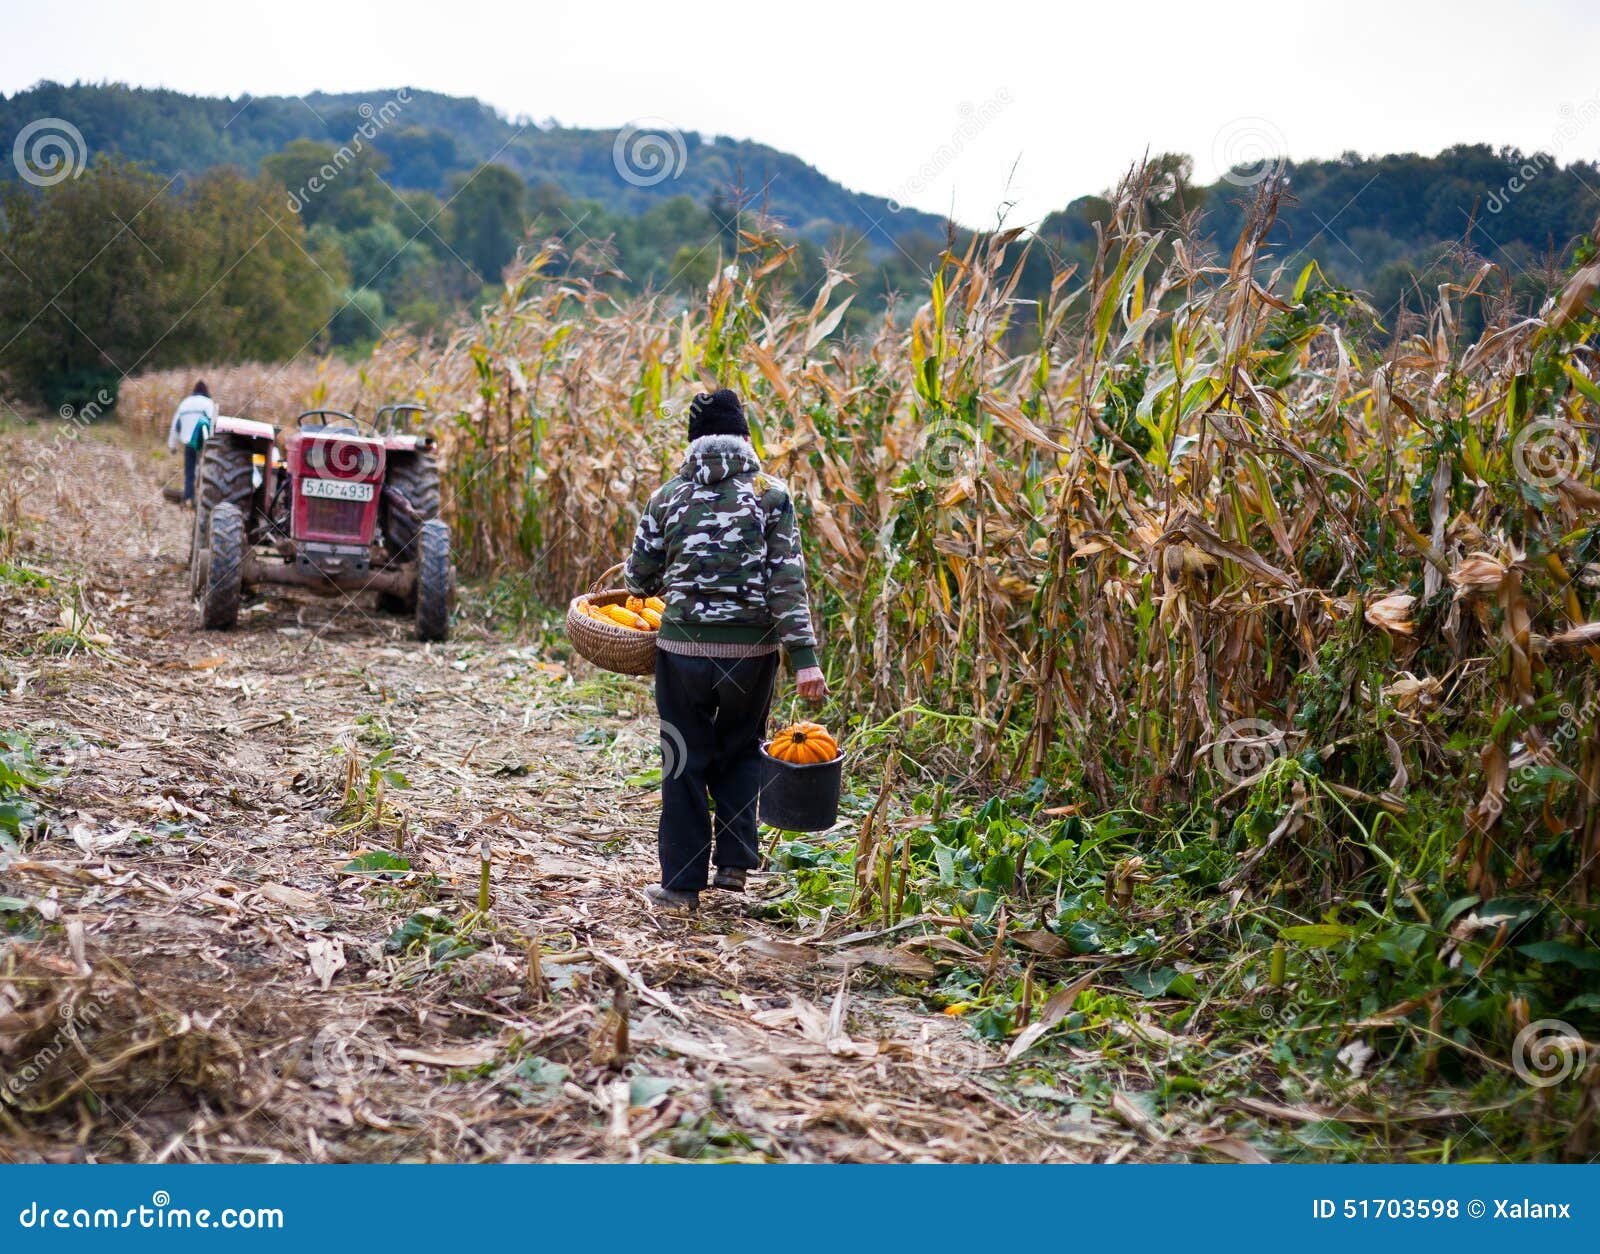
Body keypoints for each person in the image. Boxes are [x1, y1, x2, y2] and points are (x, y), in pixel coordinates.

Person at [624, 389, 828, 911]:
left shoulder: (667, 496)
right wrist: (805, 660)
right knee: (742, 748)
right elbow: (787, 583)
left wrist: (660, 579)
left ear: (693, 442)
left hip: (683, 653)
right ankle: (735, 863)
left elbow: (639, 578)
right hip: (751, 656)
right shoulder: (771, 494)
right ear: (743, 437)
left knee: (682, 757)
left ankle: (680, 886)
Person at [167, 380, 217, 505]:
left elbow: (175, 425)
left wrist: (172, 445)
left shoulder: (185, 403)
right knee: (202, 472)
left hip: (188, 443)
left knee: (189, 473)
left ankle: (188, 498)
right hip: (203, 444)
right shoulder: (208, 403)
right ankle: (200, 502)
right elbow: (212, 424)